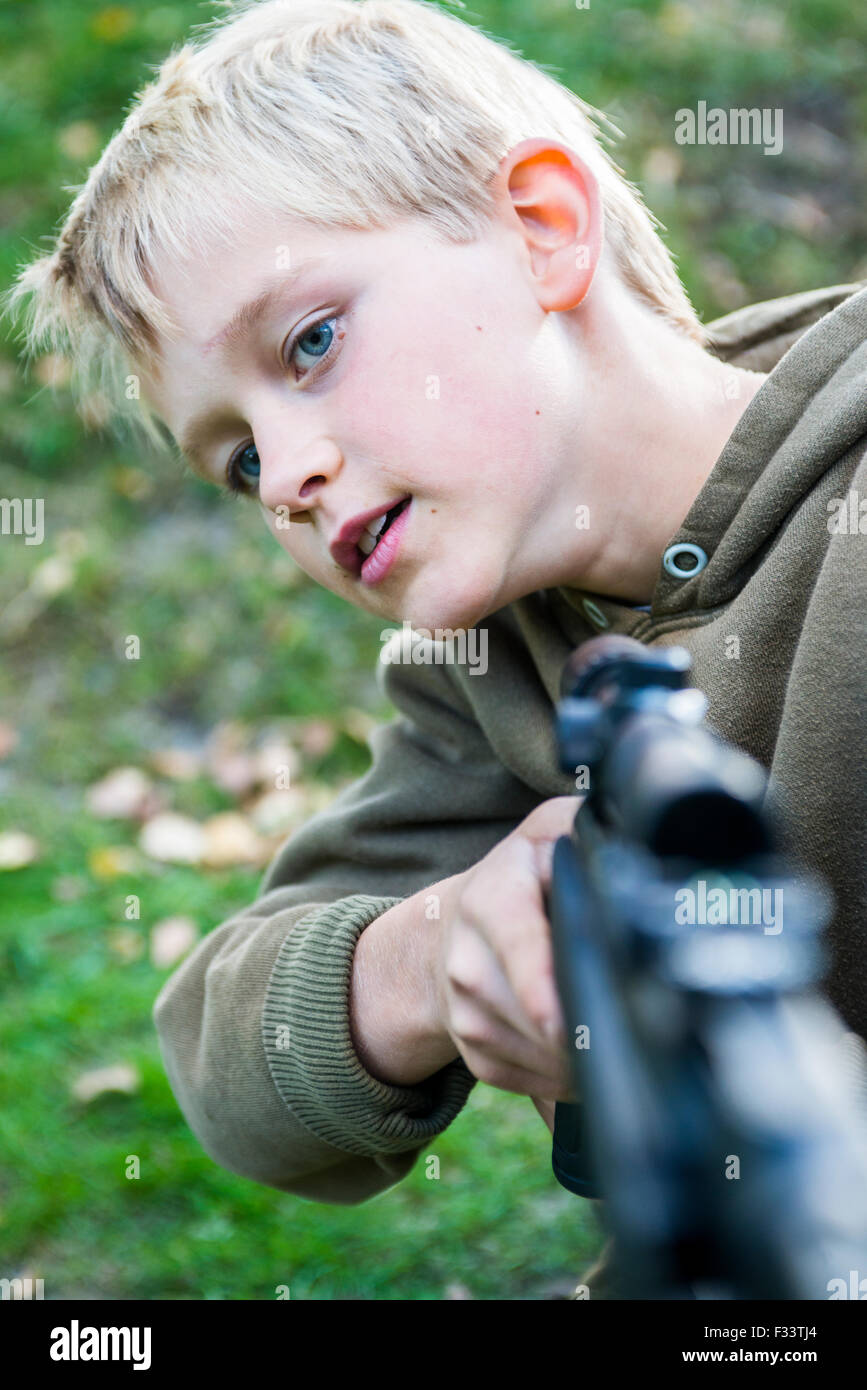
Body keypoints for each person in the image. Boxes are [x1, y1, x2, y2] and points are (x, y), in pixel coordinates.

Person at [8, 0, 866, 1297]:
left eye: (310, 342)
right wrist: (432, 954)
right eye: (237, 460)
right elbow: (223, 1055)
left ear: (543, 228)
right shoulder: (487, 671)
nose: (286, 478)